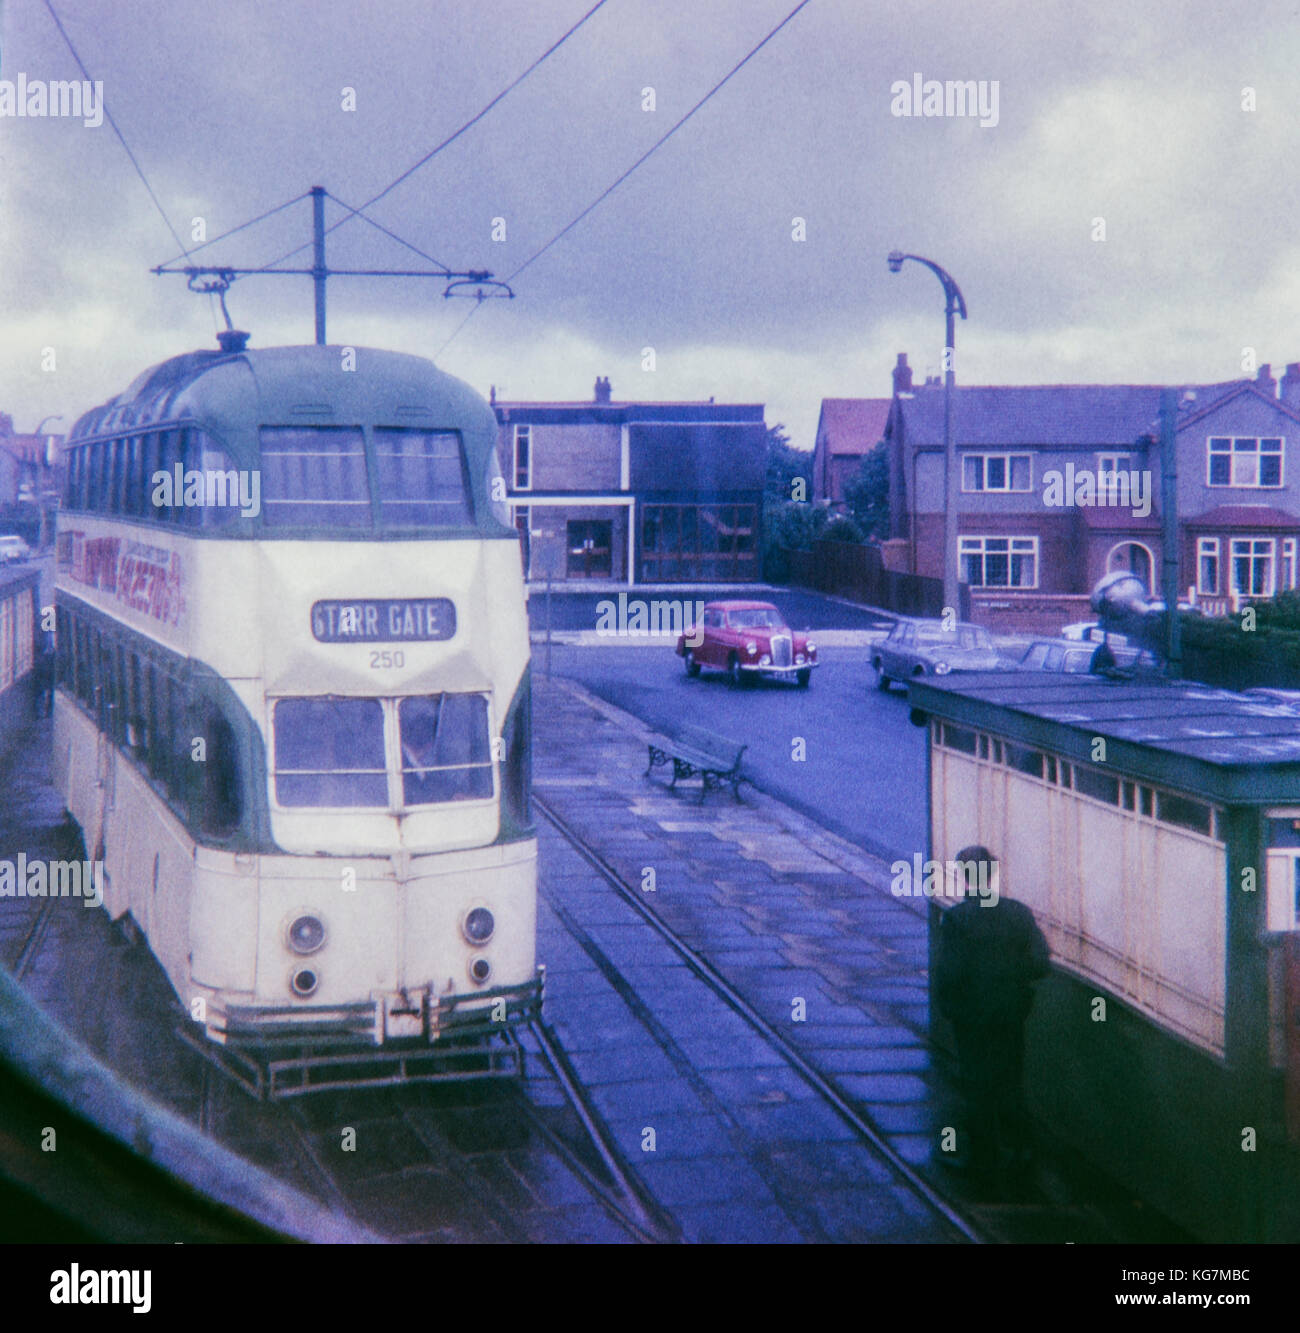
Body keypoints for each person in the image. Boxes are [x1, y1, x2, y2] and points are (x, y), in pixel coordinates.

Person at [933, 845, 1050, 1176]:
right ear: (993, 874)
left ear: (964, 877)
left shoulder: (957, 920)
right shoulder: (1018, 914)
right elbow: (1041, 963)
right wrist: (1010, 978)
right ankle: (1022, 1151)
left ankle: (983, 1157)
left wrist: (953, 1010)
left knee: (977, 1084)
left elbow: (949, 974)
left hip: (972, 1019)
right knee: (1010, 1080)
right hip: (1010, 1015)